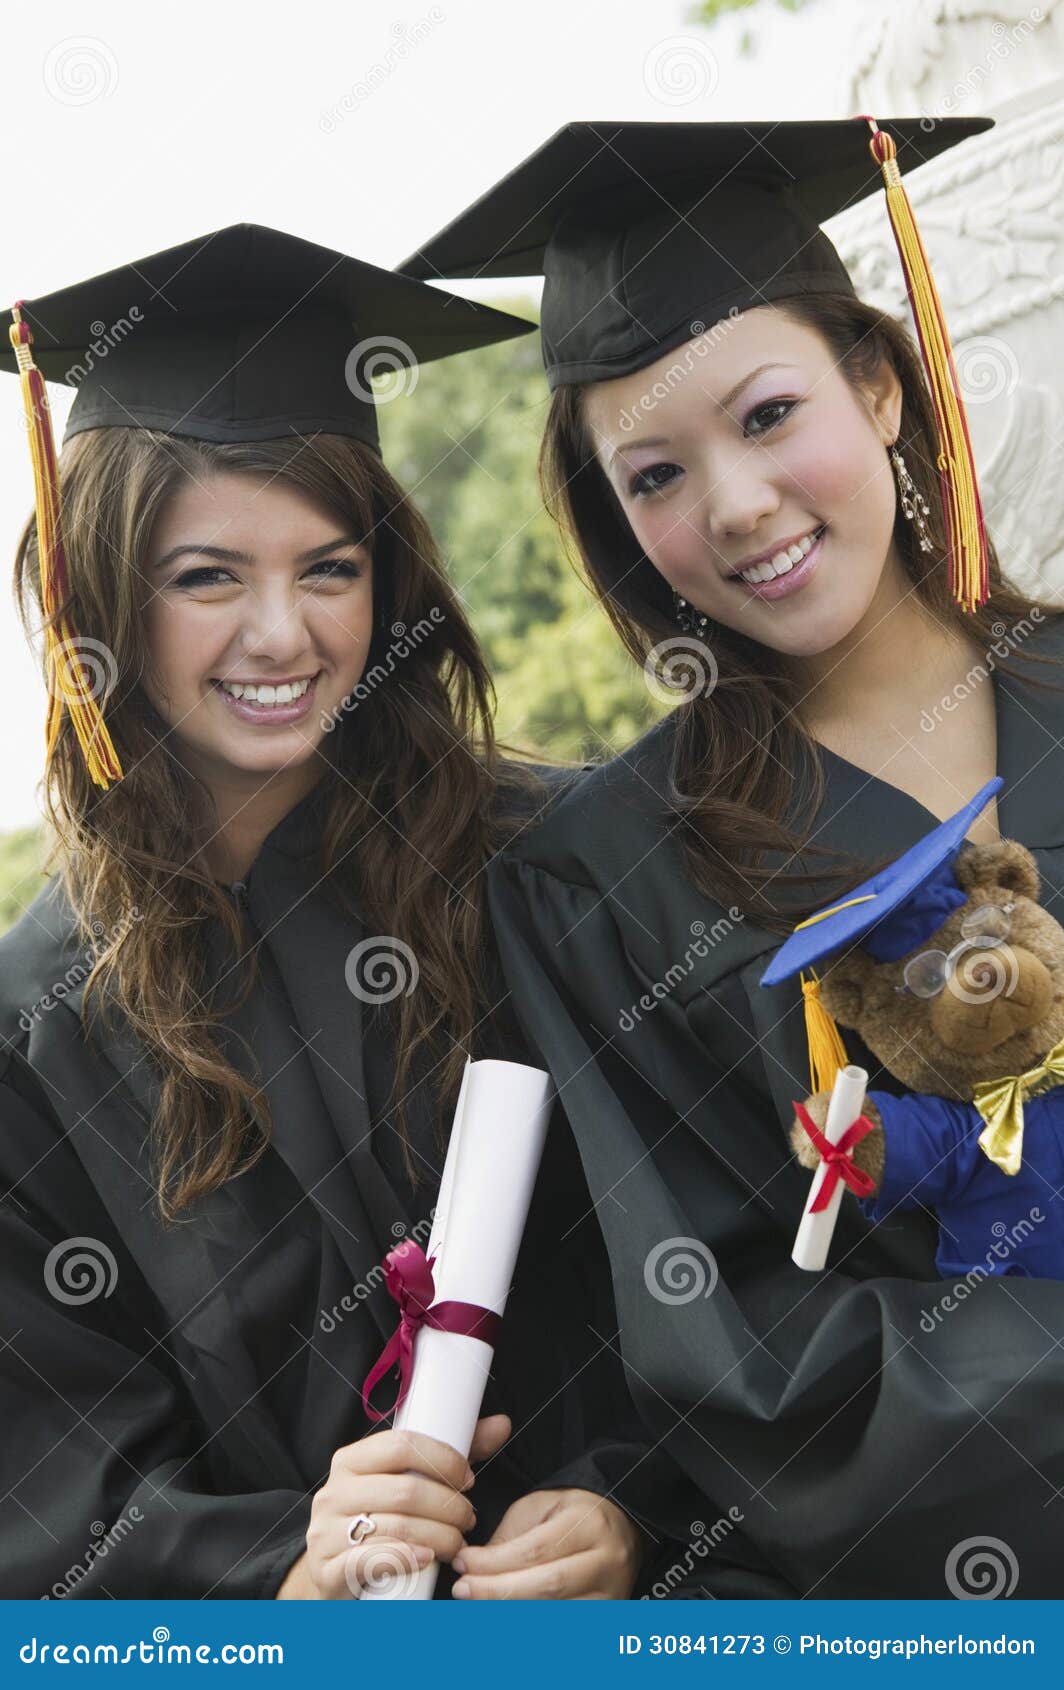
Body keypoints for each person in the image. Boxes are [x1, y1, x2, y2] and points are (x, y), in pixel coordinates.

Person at [403, 119, 1064, 1597]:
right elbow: (739, 1352)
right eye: (655, 476)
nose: (736, 507)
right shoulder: (601, 881)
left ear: (880, 384)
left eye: (769, 415)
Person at [0, 225, 693, 1599]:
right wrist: (288, 1566)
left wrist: (631, 1508)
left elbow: (735, 1260)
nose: (284, 633)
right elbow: (52, 1479)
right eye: (208, 577)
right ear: (99, 594)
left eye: (329, 567)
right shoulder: (41, 1018)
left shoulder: (559, 864)